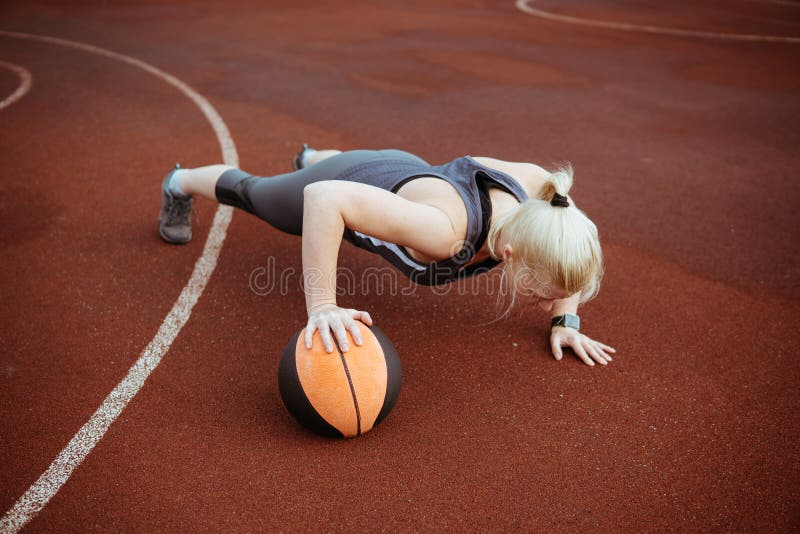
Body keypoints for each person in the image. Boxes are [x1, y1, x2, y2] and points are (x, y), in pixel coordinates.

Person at [157, 146, 616, 366]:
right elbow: (324, 199)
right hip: (353, 178)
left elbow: (573, 254)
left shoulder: (548, 200)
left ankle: (316, 154)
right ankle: (180, 181)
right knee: (257, 195)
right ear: (511, 254)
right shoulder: (445, 234)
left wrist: (565, 321)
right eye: (542, 294)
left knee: (355, 185)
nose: (545, 302)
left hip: (407, 174)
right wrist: (322, 306)